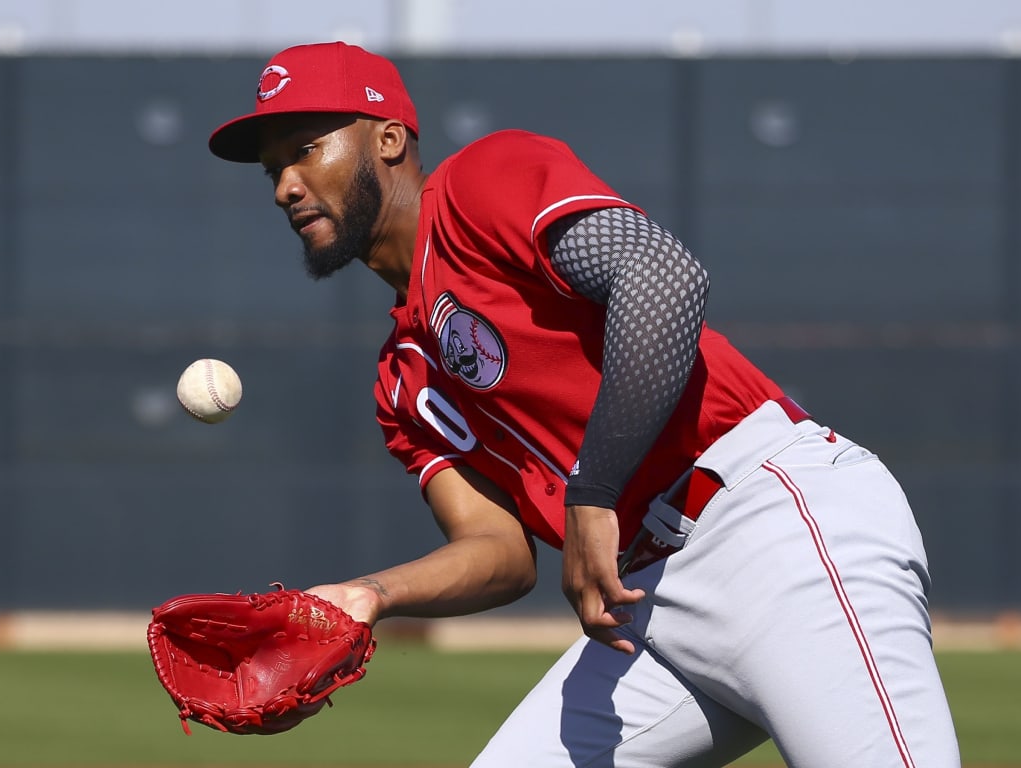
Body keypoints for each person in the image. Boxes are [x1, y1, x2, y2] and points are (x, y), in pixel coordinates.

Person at [207, 41, 961, 767]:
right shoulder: (402, 384)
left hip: (765, 525)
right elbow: (500, 555)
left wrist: (591, 494)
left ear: (390, 138)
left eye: (306, 148)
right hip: (647, 604)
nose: (285, 186)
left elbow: (664, 278)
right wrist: (367, 596)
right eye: (274, 169)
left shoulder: (478, 184)